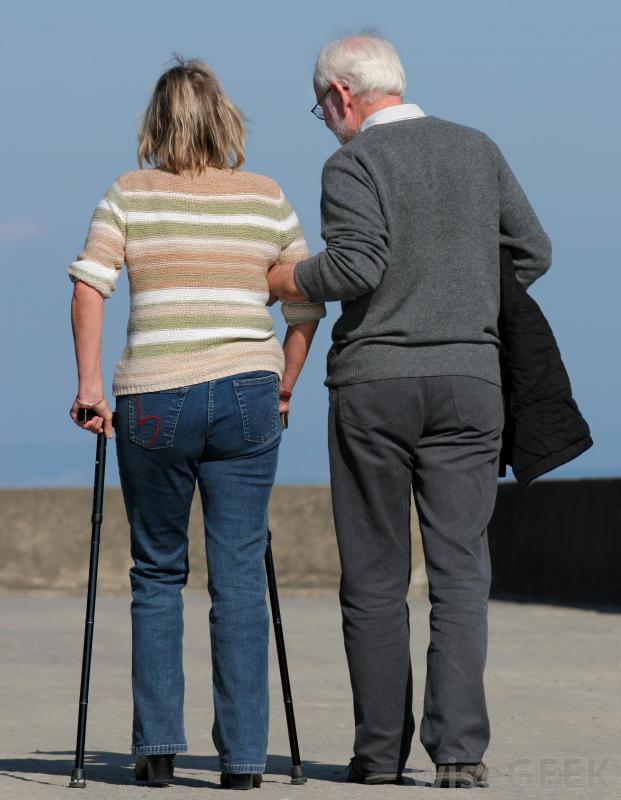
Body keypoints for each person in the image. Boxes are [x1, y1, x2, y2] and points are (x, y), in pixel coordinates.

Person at [268, 34, 551, 789]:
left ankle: (378, 753)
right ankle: (457, 751)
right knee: (461, 569)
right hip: (469, 379)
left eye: (320, 106)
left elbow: (355, 265)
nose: (325, 120)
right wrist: (464, 296)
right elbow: (532, 250)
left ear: (340, 96)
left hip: (374, 385)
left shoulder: (352, 162)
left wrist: (285, 273)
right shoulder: (476, 147)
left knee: (373, 575)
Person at [68, 56, 325, 790]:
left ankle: (156, 749)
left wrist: (90, 386)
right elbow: (305, 300)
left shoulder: (129, 193)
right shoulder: (266, 197)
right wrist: (283, 385)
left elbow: (91, 286)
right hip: (247, 394)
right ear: (225, 119)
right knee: (239, 575)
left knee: (156, 570)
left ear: (155, 123)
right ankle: (243, 763)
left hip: (153, 395)